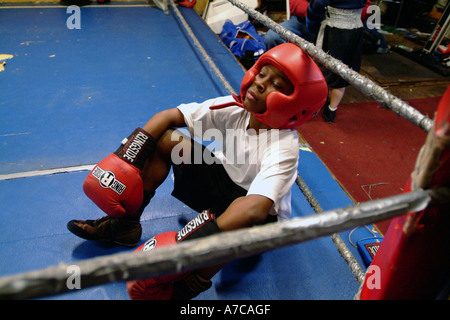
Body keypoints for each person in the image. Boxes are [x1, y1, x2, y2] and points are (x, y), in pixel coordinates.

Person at [67, 43, 328, 299]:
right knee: (165, 140)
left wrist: (190, 245)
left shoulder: (284, 148)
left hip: (257, 220)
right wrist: (129, 155)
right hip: (224, 183)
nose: (260, 83)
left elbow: (255, 209)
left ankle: (189, 284)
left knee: (241, 214)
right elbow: (169, 117)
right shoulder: (234, 108)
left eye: (277, 85)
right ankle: (126, 226)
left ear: (296, 107)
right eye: (262, 74)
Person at [306, 0, 368, 123]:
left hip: (334, 29)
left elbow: (317, 5)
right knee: (344, 72)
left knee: (320, 71)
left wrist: (312, 19)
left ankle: (312, 109)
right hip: (356, 27)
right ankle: (331, 111)